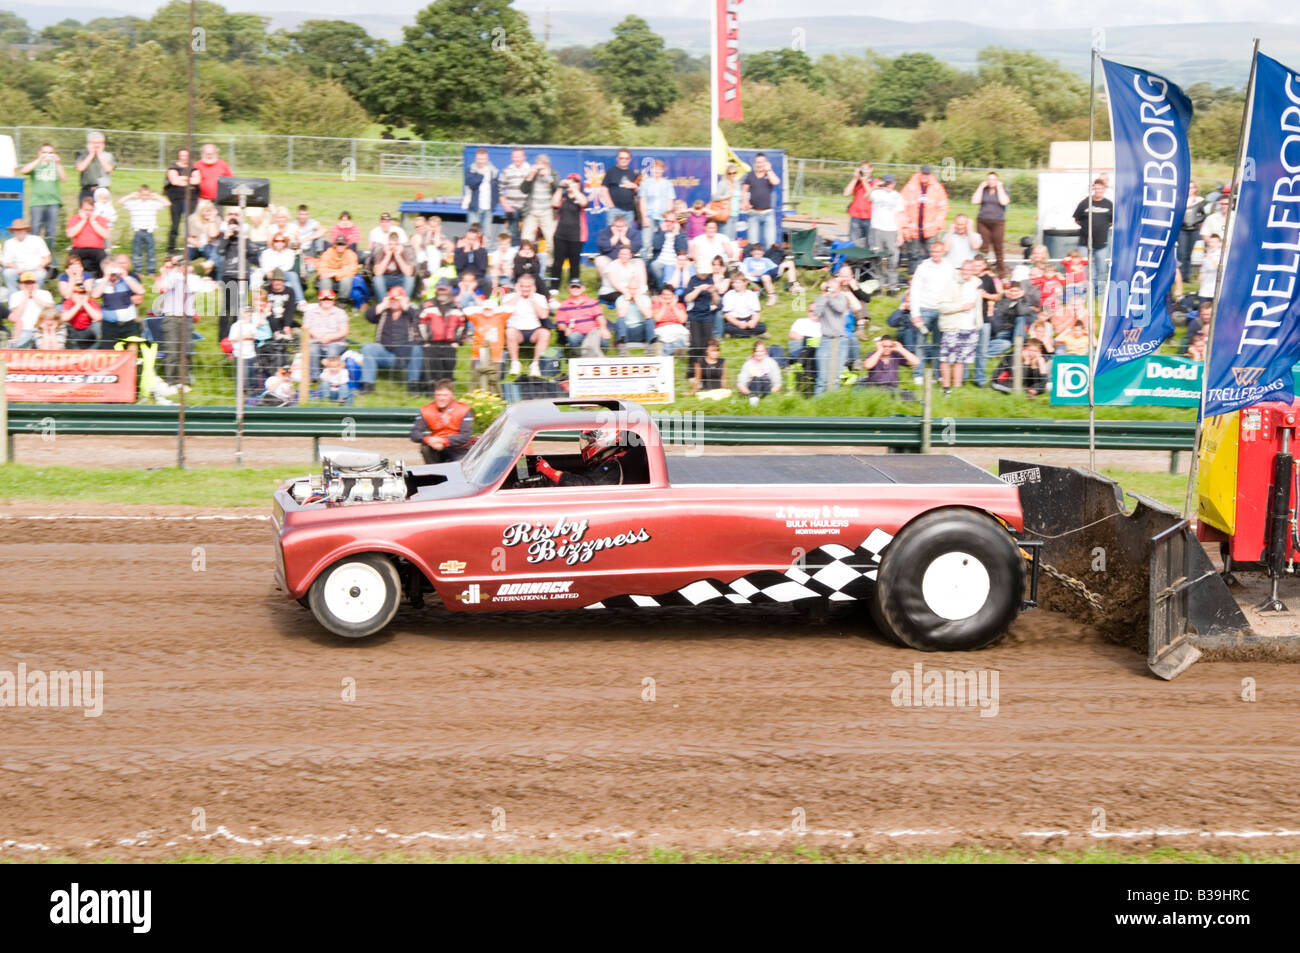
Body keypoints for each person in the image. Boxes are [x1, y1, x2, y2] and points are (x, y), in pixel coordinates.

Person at [907, 239, 954, 382]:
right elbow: (915, 290)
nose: (935, 254)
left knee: (938, 344)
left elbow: (953, 290)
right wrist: (915, 314)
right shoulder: (923, 267)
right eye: (933, 251)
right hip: (924, 309)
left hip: (941, 310)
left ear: (943, 252)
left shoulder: (949, 268)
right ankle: (918, 374)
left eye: (938, 251)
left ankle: (937, 374)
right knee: (920, 343)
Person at [937, 260, 982, 395]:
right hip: (953, 327)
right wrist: (961, 307)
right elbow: (942, 307)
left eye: (969, 270)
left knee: (961, 359)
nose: (966, 273)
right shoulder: (952, 284)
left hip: (970, 327)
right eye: (964, 269)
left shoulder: (976, 285)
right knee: (946, 358)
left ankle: (956, 389)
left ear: (974, 271)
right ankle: (945, 387)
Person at [812, 275, 861, 396]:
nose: (831, 289)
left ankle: (832, 405)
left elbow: (839, 309)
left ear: (838, 288)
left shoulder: (842, 298)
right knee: (822, 378)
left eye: (834, 287)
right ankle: (816, 408)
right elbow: (817, 313)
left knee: (835, 379)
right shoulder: (821, 298)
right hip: (825, 340)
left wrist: (829, 297)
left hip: (840, 341)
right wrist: (825, 296)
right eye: (829, 286)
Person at [533, 429, 631, 487]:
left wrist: (551, 472)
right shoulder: (605, 463)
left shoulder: (613, 466)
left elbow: (586, 484)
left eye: (589, 441)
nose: (587, 444)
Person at [410, 380, 474, 463]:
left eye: (445, 395)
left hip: (458, 448)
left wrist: (443, 441)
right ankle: (433, 472)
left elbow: (465, 436)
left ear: (452, 396)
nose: (441, 398)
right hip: (436, 447)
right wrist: (429, 440)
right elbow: (415, 433)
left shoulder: (464, 410)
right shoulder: (426, 410)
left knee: (459, 466)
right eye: (438, 395)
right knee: (425, 447)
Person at [417, 281, 467, 386]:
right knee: (432, 369)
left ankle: (447, 391)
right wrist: (423, 341)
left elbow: (462, 325)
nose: (442, 292)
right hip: (431, 343)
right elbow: (418, 323)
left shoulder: (457, 307)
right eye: (439, 289)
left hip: (450, 344)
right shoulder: (426, 305)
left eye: (444, 289)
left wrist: (458, 342)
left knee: (449, 368)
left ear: (450, 290)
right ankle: (431, 392)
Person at [502, 273, 552, 376]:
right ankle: (515, 363)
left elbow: (543, 315)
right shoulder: (508, 297)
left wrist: (532, 299)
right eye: (522, 286)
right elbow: (503, 311)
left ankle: (535, 364)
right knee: (509, 332)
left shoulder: (540, 297)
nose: (525, 289)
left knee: (545, 333)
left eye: (528, 286)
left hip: (534, 329)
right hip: (516, 330)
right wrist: (517, 295)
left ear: (533, 287)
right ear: (517, 286)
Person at [19, 143, 66, 253]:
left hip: (53, 202)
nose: (47, 155)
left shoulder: (55, 165)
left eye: (50, 153)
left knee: (51, 231)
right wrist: (39, 159)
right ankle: (32, 253)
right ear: (40, 153)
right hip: (37, 202)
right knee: (35, 229)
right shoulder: (36, 165)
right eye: (45, 152)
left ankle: (48, 255)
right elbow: (24, 170)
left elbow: (64, 178)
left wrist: (58, 163)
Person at [1073, 178, 1114, 301]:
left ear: (1104, 189)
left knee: (1101, 269)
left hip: (1101, 243)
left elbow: (1111, 221)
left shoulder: (1109, 204)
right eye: (1096, 188)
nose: (1098, 190)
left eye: (1100, 188)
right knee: (1083, 269)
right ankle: (1084, 295)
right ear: (1093, 188)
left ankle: (1099, 294)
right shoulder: (1085, 203)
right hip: (1084, 242)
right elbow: (1077, 219)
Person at [93, 256, 145, 348]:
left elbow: (141, 291)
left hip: (129, 324)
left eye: (113, 267)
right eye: (109, 268)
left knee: (131, 352)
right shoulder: (100, 282)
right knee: (108, 353)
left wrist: (125, 276)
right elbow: (95, 295)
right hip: (109, 325)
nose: (112, 271)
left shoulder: (127, 280)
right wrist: (106, 277)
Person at [899, 164, 949, 258]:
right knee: (914, 255)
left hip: (931, 229)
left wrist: (938, 224)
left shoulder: (937, 188)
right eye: (923, 173)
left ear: (930, 175)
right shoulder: (909, 187)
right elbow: (901, 208)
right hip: (913, 229)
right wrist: (905, 227)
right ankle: (913, 272)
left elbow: (943, 207)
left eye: (927, 174)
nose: (924, 176)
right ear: (920, 173)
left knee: (932, 254)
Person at [684, 255, 727, 364]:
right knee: (696, 343)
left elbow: (717, 302)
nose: (704, 275)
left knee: (707, 343)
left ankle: (705, 367)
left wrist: (713, 292)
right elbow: (687, 298)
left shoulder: (710, 280)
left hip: (707, 316)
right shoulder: (692, 280)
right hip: (694, 316)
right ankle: (692, 368)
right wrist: (699, 290)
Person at [118, 185, 169, 275]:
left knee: (151, 253)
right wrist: (131, 196)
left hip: (149, 231)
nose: (145, 197)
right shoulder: (134, 203)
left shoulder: (153, 203)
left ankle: (151, 271)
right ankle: (138, 271)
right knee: (137, 253)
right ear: (139, 194)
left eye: (147, 195)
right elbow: (120, 202)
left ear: (149, 195)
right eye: (143, 195)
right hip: (138, 231)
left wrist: (157, 196)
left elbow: (167, 204)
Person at [302, 289, 349, 379]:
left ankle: (331, 377)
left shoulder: (340, 313)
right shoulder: (310, 312)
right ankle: (314, 377)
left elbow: (344, 331)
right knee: (312, 349)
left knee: (332, 350)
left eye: (329, 299)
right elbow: (305, 327)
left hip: (335, 343)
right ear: (319, 300)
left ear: (333, 300)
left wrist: (329, 338)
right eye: (324, 299)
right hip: (315, 341)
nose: (326, 301)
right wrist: (318, 336)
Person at [555, 277, 609, 355]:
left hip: (593, 331)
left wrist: (603, 328)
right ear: (569, 289)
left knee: (604, 339)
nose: (575, 289)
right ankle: (580, 357)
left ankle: (598, 356)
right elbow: (560, 323)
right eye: (573, 287)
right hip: (576, 332)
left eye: (578, 287)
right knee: (572, 338)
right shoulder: (564, 304)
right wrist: (566, 329)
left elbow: (600, 317)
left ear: (583, 289)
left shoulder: (591, 302)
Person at [550, 173, 587, 287]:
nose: (571, 183)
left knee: (574, 263)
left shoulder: (581, 196)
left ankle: (574, 286)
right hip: (560, 235)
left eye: (574, 181)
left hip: (577, 236)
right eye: (569, 181)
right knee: (557, 263)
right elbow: (554, 203)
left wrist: (574, 190)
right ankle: (554, 286)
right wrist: (560, 187)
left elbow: (584, 203)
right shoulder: (563, 196)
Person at [868, 174, 903, 292]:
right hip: (877, 229)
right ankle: (878, 286)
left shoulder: (897, 196)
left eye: (890, 183)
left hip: (891, 230)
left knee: (892, 259)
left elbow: (899, 215)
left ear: (894, 183)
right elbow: (866, 196)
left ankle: (892, 287)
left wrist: (900, 233)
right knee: (876, 257)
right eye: (886, 183)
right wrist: (874, 187)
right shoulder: (877, 193)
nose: (888, 185)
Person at [970, 171, 1010, 277]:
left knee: (998, 247)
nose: (991, 182)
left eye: (993, 179)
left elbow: (1004, 202)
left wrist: (1000, 187)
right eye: (989, 179)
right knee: (984, 248)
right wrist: (980, 187)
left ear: (997, 180)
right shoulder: (984, 190)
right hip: (983, 221)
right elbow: (974, 201)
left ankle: (1001, 273)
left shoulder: (1002, 190)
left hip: (998, 222)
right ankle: (983, 271)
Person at [163, 148, 201, 254]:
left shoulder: (193, 168)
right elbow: (174, 181)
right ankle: (171, 248)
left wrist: (182, 178)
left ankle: (191, 247)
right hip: (176, 199)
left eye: (186, 155)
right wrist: (189, 179)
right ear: (179, 156)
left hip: (191, 199)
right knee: (175, 224)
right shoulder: (173, 167)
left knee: (191, 223)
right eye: (182, 155)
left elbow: (197, 180)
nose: (184, 158)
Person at [741, 153, 781, 250]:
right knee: (753, 243)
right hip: (753, 213)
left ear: (766, 163)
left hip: (768, 213)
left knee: (770, 242)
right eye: (758, 162)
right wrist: (745, 202)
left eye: (762, 162)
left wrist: (769, 170)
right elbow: (744, 190)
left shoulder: (769, 174)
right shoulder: (750, 175)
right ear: (755, 163)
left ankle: (769, 263)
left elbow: (776, 182)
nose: (759, 164)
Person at [520, 153, 557, 252]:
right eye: (538, 164)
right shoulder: (532, 174)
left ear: (547, 166)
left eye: (542, 165)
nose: (540, 168)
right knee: (526, 239)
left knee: (552, 240)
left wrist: (548, 177)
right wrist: (531, 175)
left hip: (547, 212)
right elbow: (523, 189)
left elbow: (557, 189)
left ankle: (550, 265)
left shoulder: (553, 174)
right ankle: (527, 262)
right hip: (532, 211)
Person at [3, 218, 51, 293]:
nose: (19, 231)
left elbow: (47, 258)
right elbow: (7, 261)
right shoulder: (9, 243)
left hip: (35, 269)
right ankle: (14, 298)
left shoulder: (37, 240)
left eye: (21, 229)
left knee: (41, 274)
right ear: (13, 231)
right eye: (16, 230)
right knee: (7, 273)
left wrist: (41, 266)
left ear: (26, 230)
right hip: (17, 269)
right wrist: (16, 268)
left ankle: (35, 296)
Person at [6, 273, 54, 348]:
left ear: (35, 283)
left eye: (31, 283)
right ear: (21, 284)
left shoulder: (45, 294)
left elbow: (51, 309)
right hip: (23, 330)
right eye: (26, 283)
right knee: (14, 346)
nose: (29, 285)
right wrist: (26, 297)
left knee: (48, 348)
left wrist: (35, 297)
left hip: (41, 329)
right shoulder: (15, 296)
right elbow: (16, 315)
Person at [599, 149, 641, 230]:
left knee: (627, 236)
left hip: (629, 211)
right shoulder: (611, 171)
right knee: (612, 235)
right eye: (621, 158)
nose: (624, 160)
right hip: (614, 210)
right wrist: (611, 206)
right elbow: (603, 188)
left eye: (626, 158)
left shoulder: (632, 172)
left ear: (630, 159)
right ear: (617, 158)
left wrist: (635, 187)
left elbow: (638, 192)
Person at [497, 148, 531, 244]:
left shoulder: (530, 170)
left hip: (527, 207)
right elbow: (500, 189)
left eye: (519, 157)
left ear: (524, 157)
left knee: (527, 235)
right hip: (512, 207)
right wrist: (506, 205)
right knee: (513, 235)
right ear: (512, 158)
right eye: (515, 157)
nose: (517, 159)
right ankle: (515, 254)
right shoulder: (506, 171)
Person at [463, 148, 499, 238]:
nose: (481, 162)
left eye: (483, 159)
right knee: (473, 233)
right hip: (475, 207)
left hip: (488, 208)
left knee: (486, 234)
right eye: (479, 159)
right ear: (476, 158)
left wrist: (494, 203)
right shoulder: (471, 169)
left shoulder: (493, 171)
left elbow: (496, 188)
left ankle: (484, 251)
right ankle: (472, 251)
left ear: (487, 159)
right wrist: (480, 175)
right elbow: (471, 184)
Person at [721, 271, 767, 339]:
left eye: (738, 282)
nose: (735, 285)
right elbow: (727, 315)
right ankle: (752, 334)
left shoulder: (752, 295)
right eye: (734, 282)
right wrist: (738, 323)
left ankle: (737, 334)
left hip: (748, 319)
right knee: (726, 326)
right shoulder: (728, 295)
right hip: (734, 320)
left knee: (762, 327)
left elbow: (756, 312)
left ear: (745, 282)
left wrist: (753, 321)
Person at [60, 275, 102, 349]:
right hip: (73, 332)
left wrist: (85, 304)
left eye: (83, 293)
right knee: (64, 325)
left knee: (98, 325)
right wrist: (78, 305)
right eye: (78, 293)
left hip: (88, 332)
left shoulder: (91, 302)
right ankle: (73, 349)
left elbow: (98, 318)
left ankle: (93, 349)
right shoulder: (68, 302)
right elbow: (64, 318)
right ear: (73, 294)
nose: (81, 296)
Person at [843, 161, 878, 247]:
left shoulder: (875, 182)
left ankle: (868, 260)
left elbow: (872, 195)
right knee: (854, 244)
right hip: (856, 217)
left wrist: (864, 181)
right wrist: (855, 178)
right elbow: (846, 193)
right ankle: (855, 260)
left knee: (870, 244)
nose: (865, 171)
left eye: (866, 169)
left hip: (870, 217)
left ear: (871, 170)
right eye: (863, 169)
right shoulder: (857, 183)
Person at [736, 340, 782, 405]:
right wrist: (750, 394)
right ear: (753, 352)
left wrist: (769, 394)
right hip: (752, 390)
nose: (759, 353)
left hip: (766, 389)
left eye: (761, 351)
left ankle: (763, 401)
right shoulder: (748, 364)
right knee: (756, 379)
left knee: (765, 379)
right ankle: (754, 401)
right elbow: (740, 385)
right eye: (757, 351)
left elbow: (778, 384)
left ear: (765, 352)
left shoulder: (772, 363)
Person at [74, 131, 114, 202]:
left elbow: (108, 169)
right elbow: (80, 168)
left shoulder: (108, 155)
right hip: (87, 190)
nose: (96, 145)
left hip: (103, 191)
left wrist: (99, 155)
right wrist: (91, 154)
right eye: (94, 143)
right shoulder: (82, 154)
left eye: (99, 143)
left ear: (103, 144)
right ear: (88, 144)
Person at [649, 285, 689, 356]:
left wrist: (673, 306)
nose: (667, 297)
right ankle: (671, 355)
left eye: (669, 295)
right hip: (663, 328)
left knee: (680, 338)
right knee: (667, 341)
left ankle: (672, 354)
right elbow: (657, 319)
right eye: (664, 294)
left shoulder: (679, 305)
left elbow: (682, 320)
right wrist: (664, 305)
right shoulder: (656, 305)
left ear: (673, 296)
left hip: (677, 327)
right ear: (661, 296)